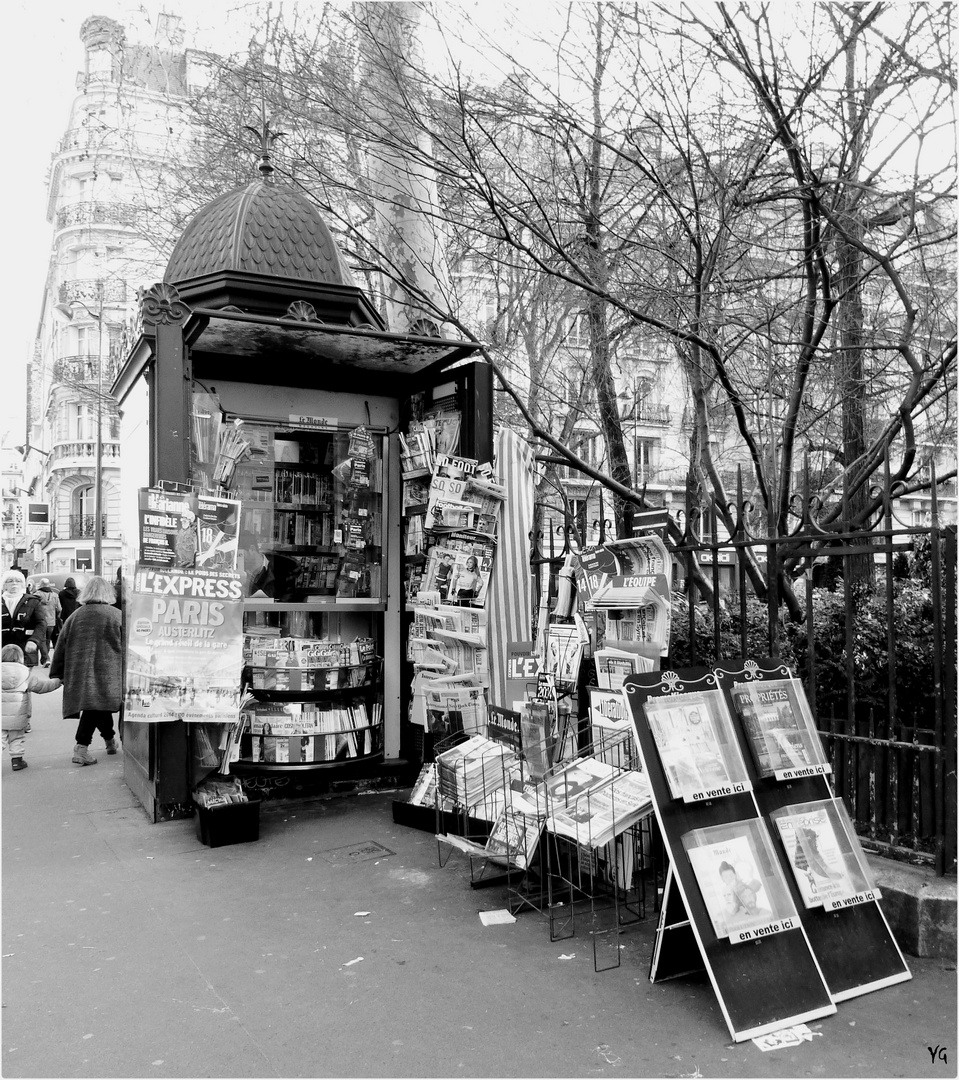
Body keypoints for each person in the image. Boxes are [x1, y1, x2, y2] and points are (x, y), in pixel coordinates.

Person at [50, 576, 123, 766]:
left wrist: (58, 672)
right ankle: (81, 748)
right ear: (108, 593)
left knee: (98, 705)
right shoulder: (116, 616)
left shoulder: (75, 617)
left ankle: (109, 741)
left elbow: (61, 646)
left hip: (80, 672)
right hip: (109, 672)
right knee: (97, 706)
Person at [2, 644, 61, 771]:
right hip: (18, 716)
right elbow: (42, 687)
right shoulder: (26, 675)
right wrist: (59, 681)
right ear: (21, 658)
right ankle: (17, 761)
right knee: (16, 738)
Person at [1, 570, 43, 668]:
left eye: (18, 581)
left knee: (23, 680)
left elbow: (41, 623)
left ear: (23, 584)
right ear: (4, 585)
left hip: (25, 648)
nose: (14, 583)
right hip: (2, 647)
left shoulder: (33, 601)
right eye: (10, 581)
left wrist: (34, 640)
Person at [34, 578, 61, 665]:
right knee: (47, 640)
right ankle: (45, 659)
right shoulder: (55, 595)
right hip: (51, 622)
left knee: (42, 640)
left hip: (40, 621)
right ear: (48, 585)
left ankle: (46, 659)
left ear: (40, 585)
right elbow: (60, 609)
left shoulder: (36, 595)